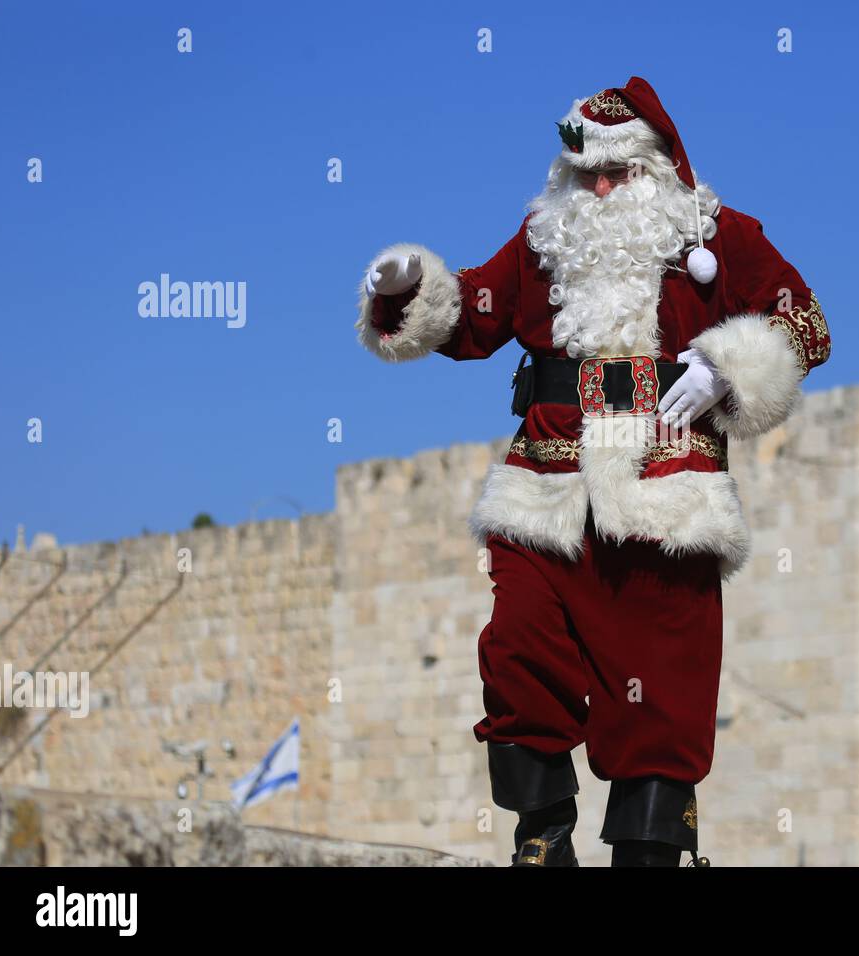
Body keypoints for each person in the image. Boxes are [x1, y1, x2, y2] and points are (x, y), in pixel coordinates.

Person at [356, 76, 830, 866]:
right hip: (545, 487)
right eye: (587, 174)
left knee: (660, 693)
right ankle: (541, 836)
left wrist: (729, 367)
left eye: (618, 172)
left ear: (658, 171)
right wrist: (411, 290)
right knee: (515, 650)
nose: (601, 188)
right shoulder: (544, 240)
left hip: (664, 489)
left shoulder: (721, 235)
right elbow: (472, 316)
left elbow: (806, 323)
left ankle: (650, 858)